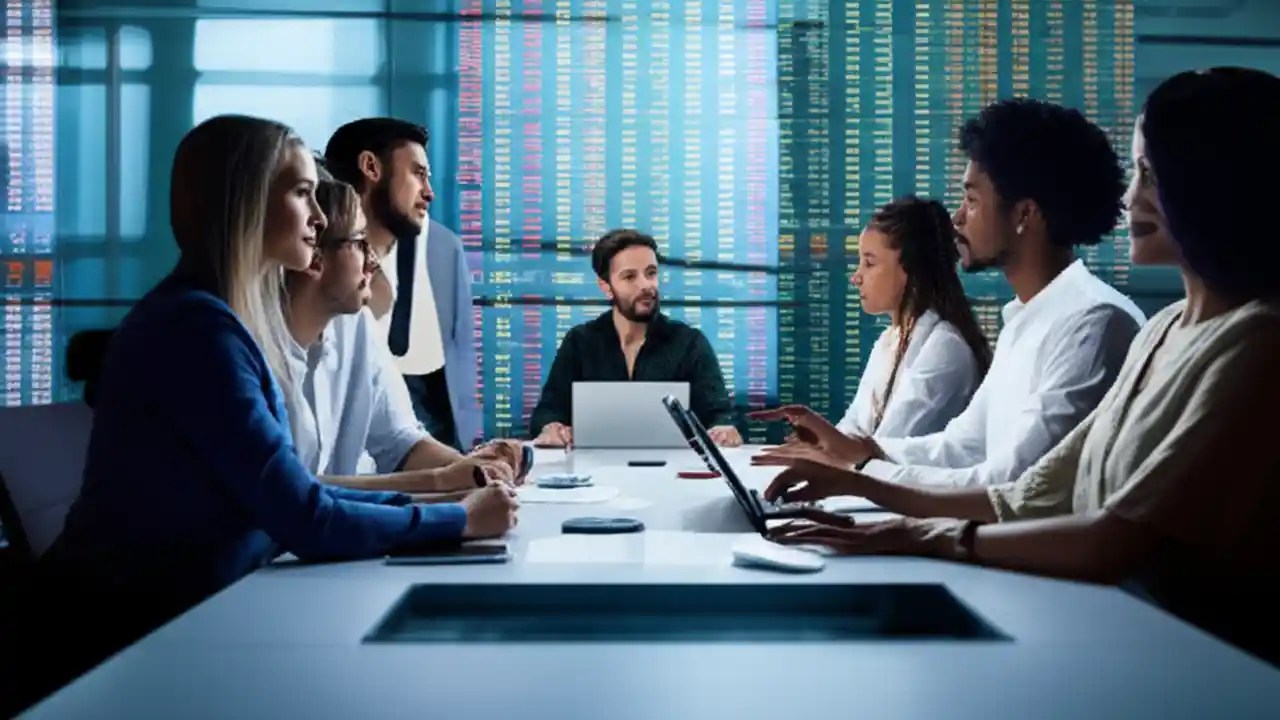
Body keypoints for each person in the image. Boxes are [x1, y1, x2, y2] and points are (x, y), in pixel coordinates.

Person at [759, 67, 1280, 666]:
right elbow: (1033, 487)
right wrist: (863, 469)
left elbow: (1111, 536)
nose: (1135, 199)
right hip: (1107, 623)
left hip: (1184, 658)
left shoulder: (1246, 338)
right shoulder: (1160, 329)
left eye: (1154, 175)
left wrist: (906, 520)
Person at [33, 115, 519, 686]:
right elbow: (303, 514)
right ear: (246, 201)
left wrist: (452, 501)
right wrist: (454, 520)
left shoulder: (219, 321)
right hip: (123, 644)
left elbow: (300, 491)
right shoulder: (198, 332)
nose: (318, 216)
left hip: (190, 620)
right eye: (302, 193)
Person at [753, 98, 1145, 488]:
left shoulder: (1093, 324)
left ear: (1024, 214)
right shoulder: (1026, 318)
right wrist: (856, 450)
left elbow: (1011, 483)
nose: (957, 217)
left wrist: (862, 471)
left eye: (972, 200)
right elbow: (962, 447)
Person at [281, 165, 524, 493]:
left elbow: (401, 442)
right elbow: (291, 494)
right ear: (314, 252)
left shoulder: (357, 325)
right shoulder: (251, 345)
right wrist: (445, 483)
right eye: (359, 243)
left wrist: (477, 470)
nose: (373, 262)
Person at [323, 118, 482, 451]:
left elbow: (398, 438)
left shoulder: (441, 250)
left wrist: (474, 464)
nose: (429, 192)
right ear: (370, 167)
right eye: (418, 173)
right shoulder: (317, 297)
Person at [529, 229, 743, 447]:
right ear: (606, 287)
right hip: (593, 474)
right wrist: (551, 426)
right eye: (630, 277)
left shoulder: (689, 342)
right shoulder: (580, 341)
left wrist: (724, 429)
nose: (645, 285)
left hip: (674, 474)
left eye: (650, 273)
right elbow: (547, 412)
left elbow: (719, 415)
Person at [835, 195, 990, 439]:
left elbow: (885, 447)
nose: (857, 277)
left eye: (869, 263)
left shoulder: (945, 348)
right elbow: (850, 429)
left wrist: (828, 453)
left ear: (910, 268)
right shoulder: (889, 342)